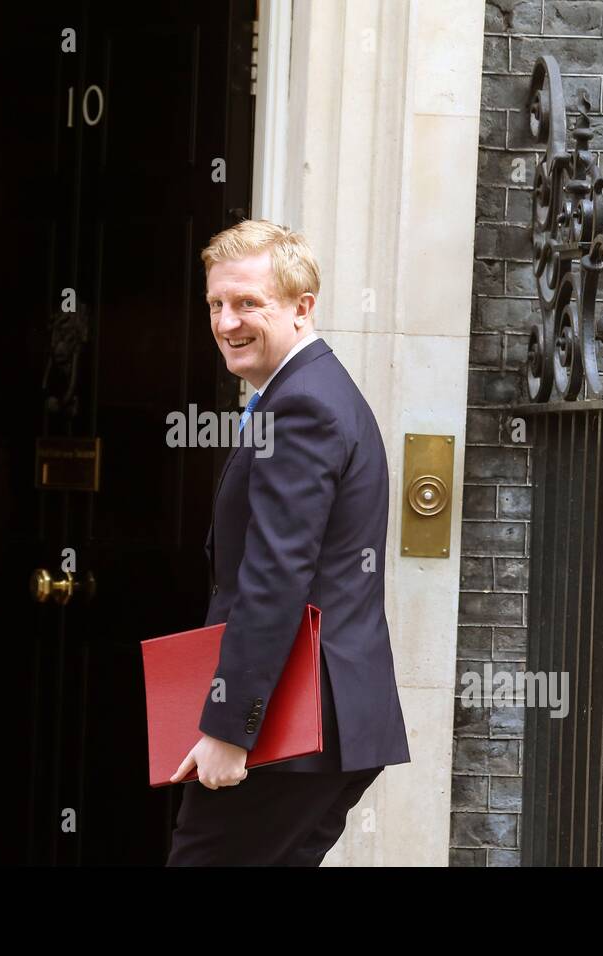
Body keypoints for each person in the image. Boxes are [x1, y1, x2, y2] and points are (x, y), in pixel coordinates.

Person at [165, 219, 411, 866]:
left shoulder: (302, 407)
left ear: (302, 307)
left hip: (287, 731)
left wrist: (227, 730)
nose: (226, 322)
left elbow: (275, 579)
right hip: (322, 727)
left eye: (248, 302)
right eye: (216, 304)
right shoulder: (309, 394)